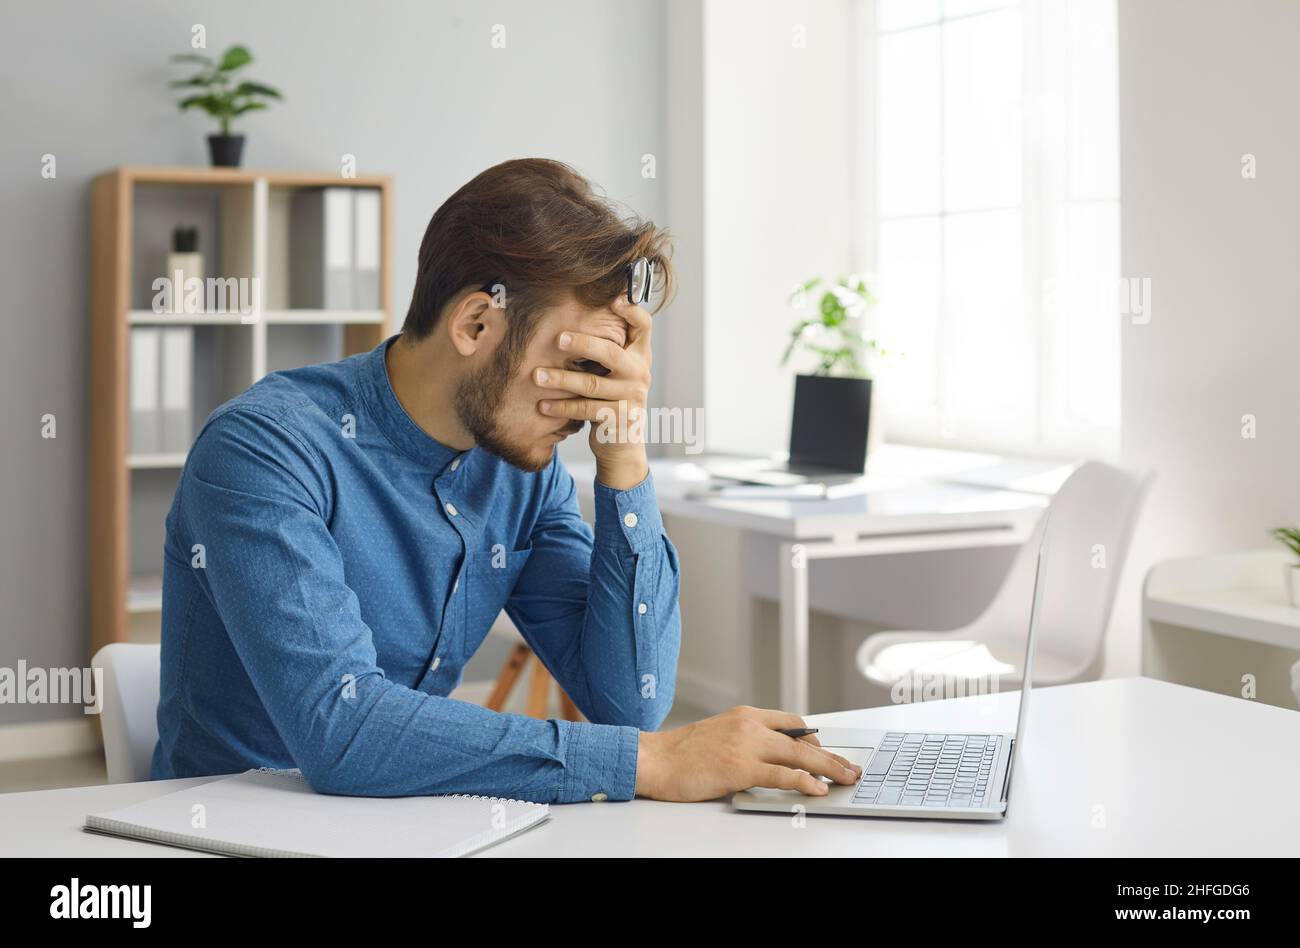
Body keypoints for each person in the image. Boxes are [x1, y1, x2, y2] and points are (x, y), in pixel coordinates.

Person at [151, 158, 862, 803]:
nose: (591, 406)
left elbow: (630, 700)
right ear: (476, 323)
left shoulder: (523, 470)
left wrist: (626, 459)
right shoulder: (264, 448)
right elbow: (344, 732)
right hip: (231, 826)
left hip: (403, 820)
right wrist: (649, 762)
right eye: (578, 364)